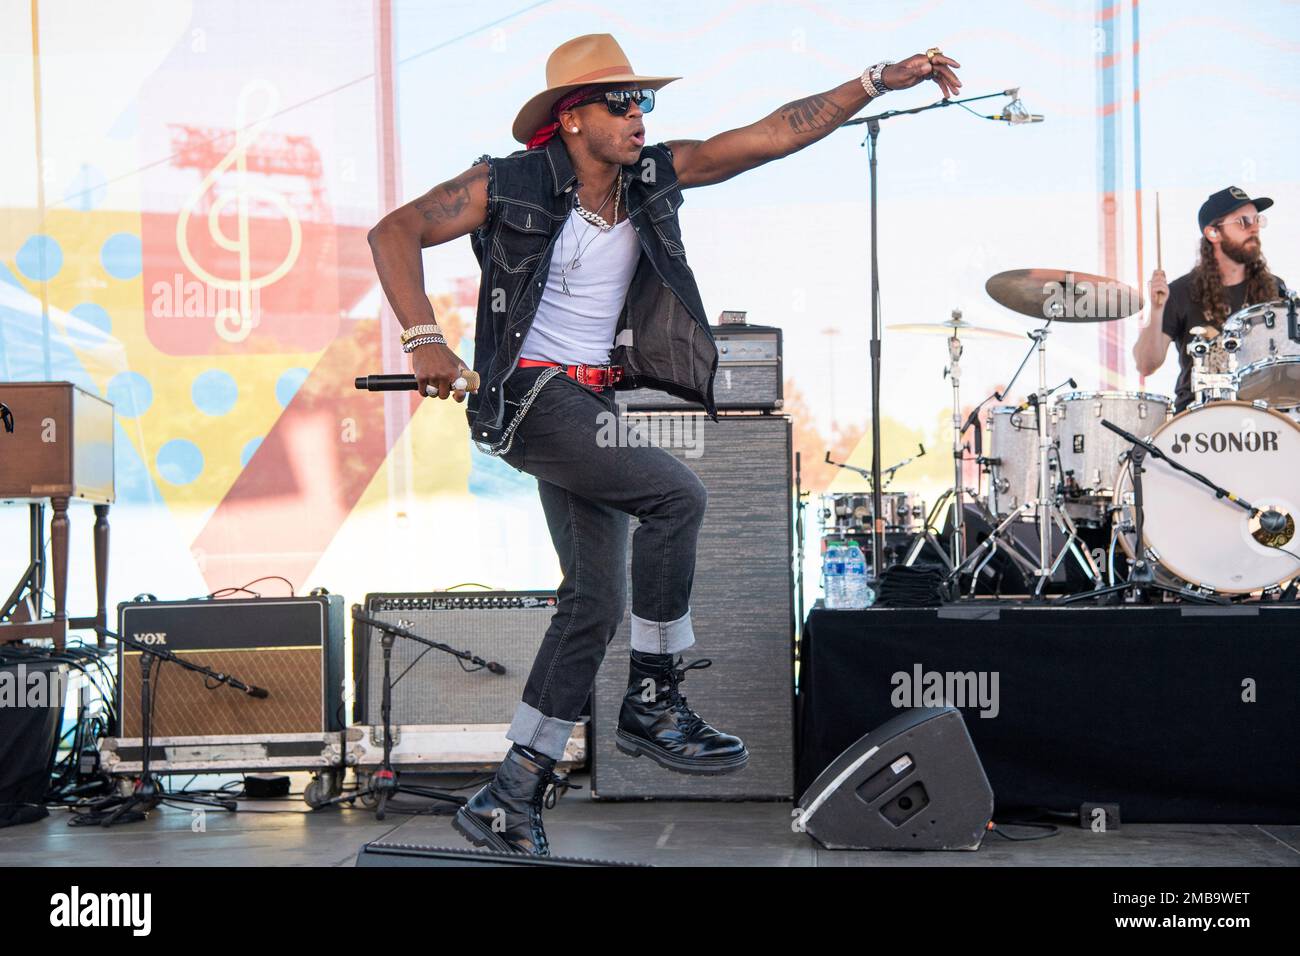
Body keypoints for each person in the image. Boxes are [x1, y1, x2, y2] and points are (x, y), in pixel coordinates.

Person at [367, 33, 961, 856]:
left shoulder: (651, 179)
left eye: (645, 101)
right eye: (622, 102)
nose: (639, 116)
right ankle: (653, 695)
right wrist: (424, 338)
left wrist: (874, 82)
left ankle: (510, 793)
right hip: (531, 395)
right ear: (572, 119)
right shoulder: (505, 183)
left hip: (588, 398)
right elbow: (392, 231)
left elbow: (773, 133)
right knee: (676, 495)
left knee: (593, 605)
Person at [1134, 186, 1286, 411]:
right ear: (1213, 233)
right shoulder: (1180, 292)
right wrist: (1157, 311)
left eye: (1257, 220)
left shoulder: (1274, 288)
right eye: (1243, 222)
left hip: (1262, 416)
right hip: (1199, 420)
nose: (1254, 228)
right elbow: (1146, 365)